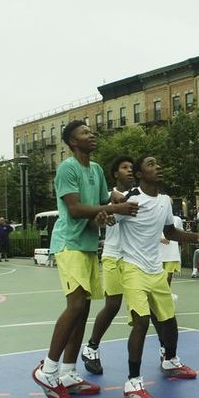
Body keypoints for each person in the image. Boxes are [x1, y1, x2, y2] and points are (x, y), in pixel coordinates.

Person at [30, 121, 139, 398]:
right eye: (84, 133)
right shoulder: (68, 168)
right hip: (69, 243)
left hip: (88, 244)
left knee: (84, 309)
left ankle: (68, 373)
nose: (91, 135)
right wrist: (113, 207)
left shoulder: (98, 169)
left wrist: (104, 211)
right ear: (72, 142)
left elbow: (99, 204)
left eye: (91, 131)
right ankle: (48, 369)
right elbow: (76, 209)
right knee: (76, 305)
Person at [113, 155, 199, 398]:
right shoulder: (130, 199)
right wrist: (105, 212)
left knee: (169, 321)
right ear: (141, 174)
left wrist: (197, 237)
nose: (158, 167)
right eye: (152, 164)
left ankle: (170, 361)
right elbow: (109, 218)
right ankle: (133, 382)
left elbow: (170, 232)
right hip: (132, 267)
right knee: (142, 321)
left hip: (155, 269)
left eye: (159, 163)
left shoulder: (165, 201)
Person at [81, 156, 137, 375]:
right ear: (115, 174)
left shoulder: (139, 195)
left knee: (147, 308)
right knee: (113, 305)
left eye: (132, 168)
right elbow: (102, 214)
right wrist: (107, 213)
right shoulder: (107, 196)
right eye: (124, 168)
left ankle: (167, 353)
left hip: (135, 258)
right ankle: (92, 348)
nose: (129, 171)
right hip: (114, 255)